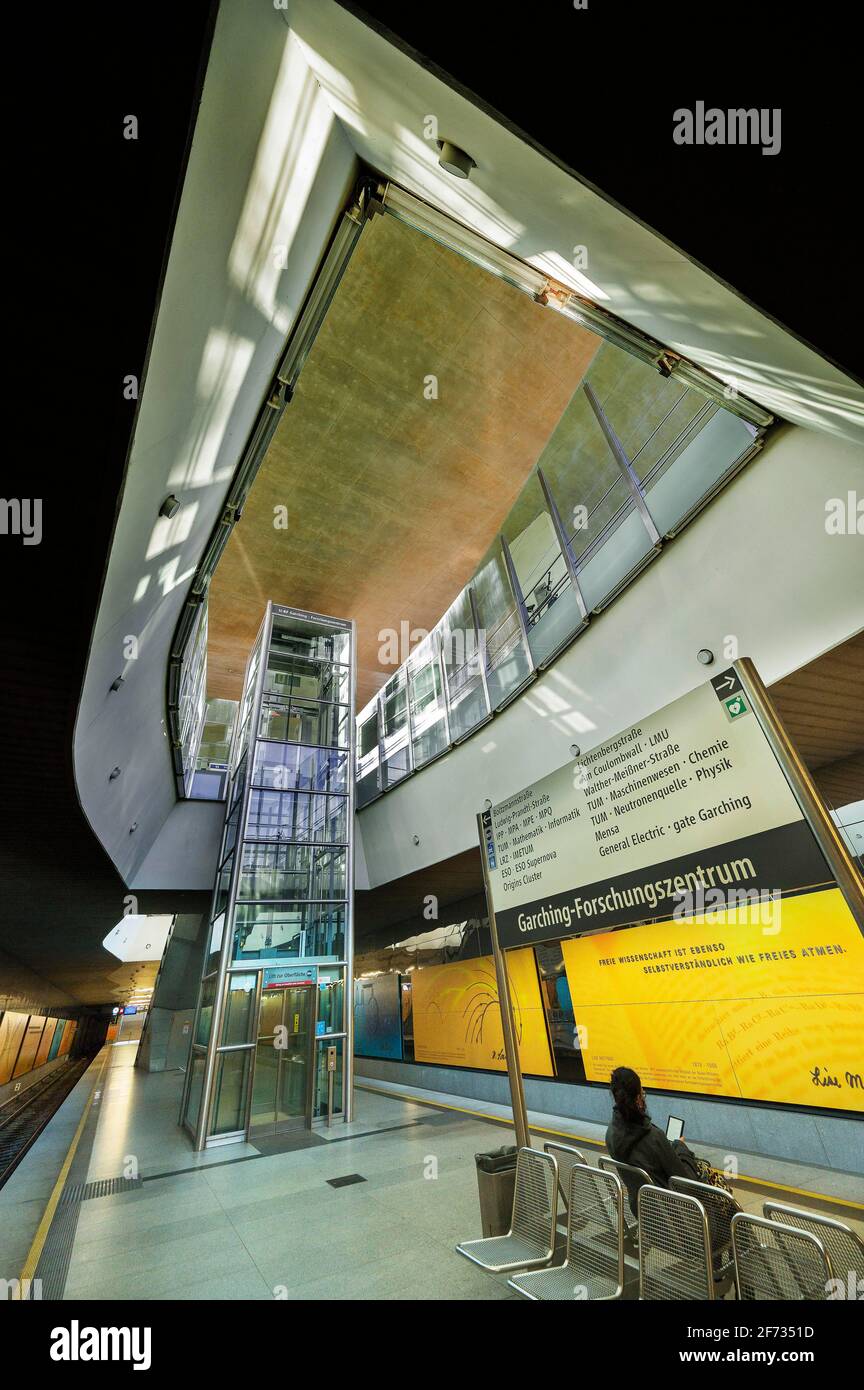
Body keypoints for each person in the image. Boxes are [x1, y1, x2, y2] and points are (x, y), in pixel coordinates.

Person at [605, 1065, 699, 1216]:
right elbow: (686, 1185)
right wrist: (681, 1148)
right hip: (676, 1220)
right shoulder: (654, 1137)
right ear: (638, 1099)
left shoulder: (610, 1134)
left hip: (644, 1214)